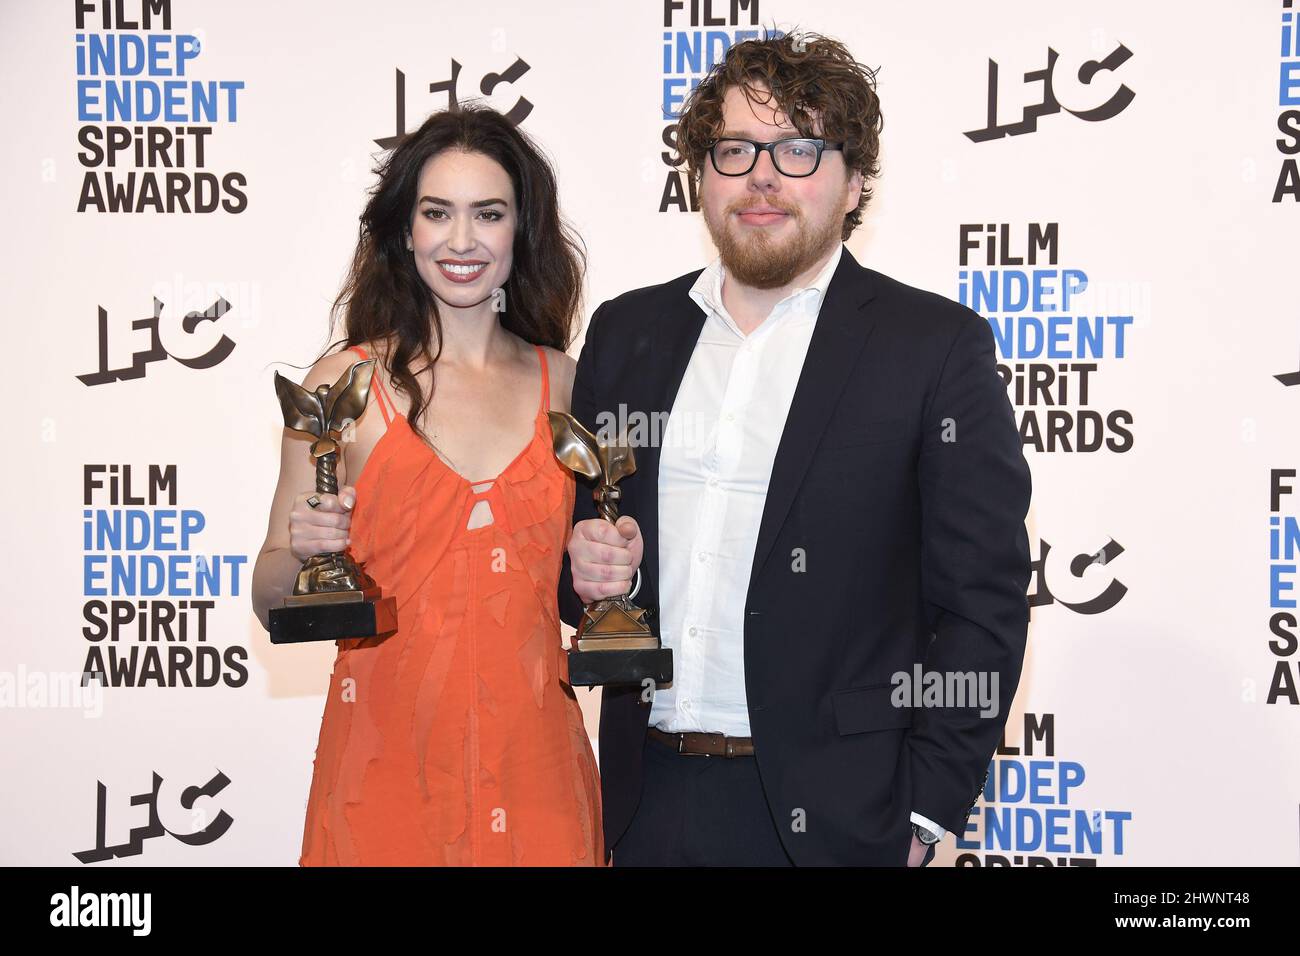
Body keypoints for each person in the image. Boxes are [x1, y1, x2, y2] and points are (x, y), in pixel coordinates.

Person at [559, 32, 1032, 866]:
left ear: (855, 185)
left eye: (800, 149)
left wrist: (925, 816)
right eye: (735, 149)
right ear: (701, 177)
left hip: (841, 822)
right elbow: (580, 576)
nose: (762, 177)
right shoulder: (627, 334)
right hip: (642, 806)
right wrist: (597, 570)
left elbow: (982, 606)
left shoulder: (932, 347)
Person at [251, 105, 604, 866]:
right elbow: (270, 586)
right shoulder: (345, 383)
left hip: (538, 779)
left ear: (522, 231)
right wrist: (302, 554)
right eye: (436, 213)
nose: (462, 240)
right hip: (381, 783)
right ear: (404, 230)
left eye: (489, 214)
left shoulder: (569, 387)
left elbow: (601, 580)